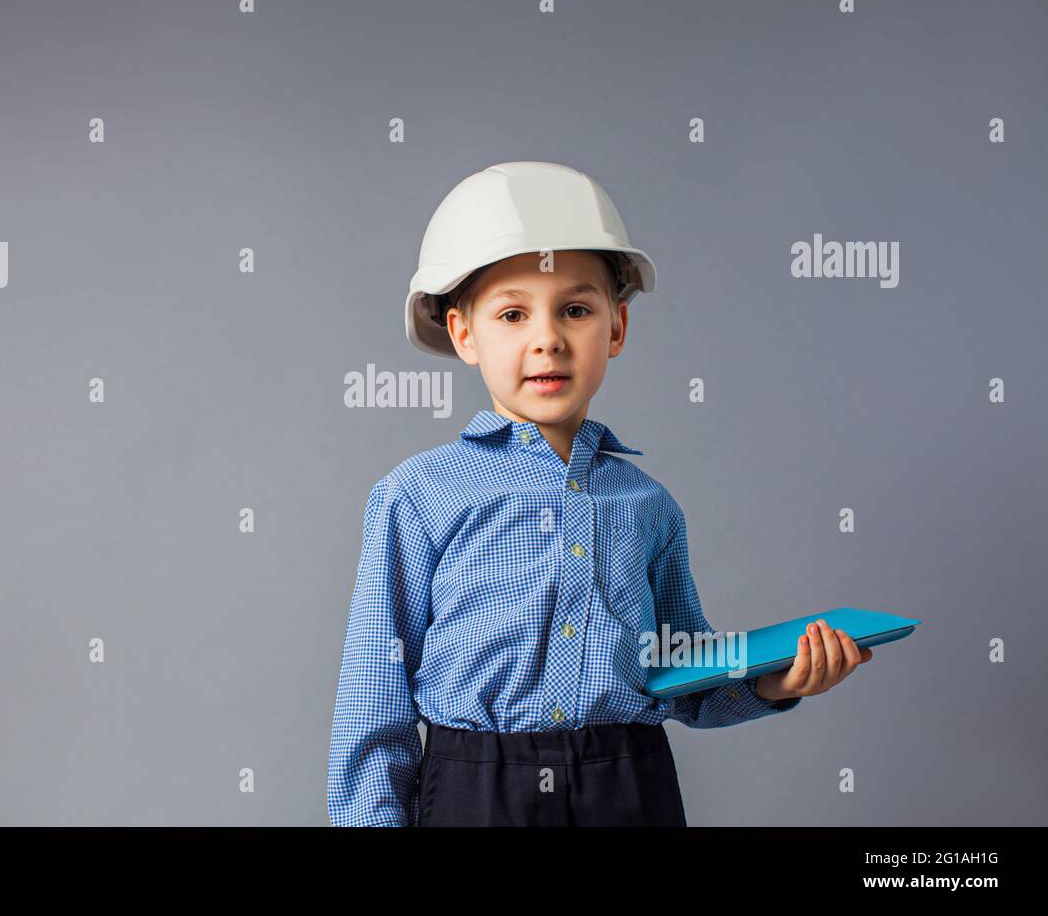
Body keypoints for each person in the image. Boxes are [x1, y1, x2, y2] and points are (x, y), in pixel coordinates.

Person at [326, 161, 871, 827]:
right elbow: (372, 709)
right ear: (463, 333)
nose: (548, 338)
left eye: (576, 310)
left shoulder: (648, 507)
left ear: (615, 329)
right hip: (476, 795)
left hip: (631, 790)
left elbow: (681, 671)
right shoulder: (417, 496)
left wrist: (772, 682)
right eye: (513, 313)